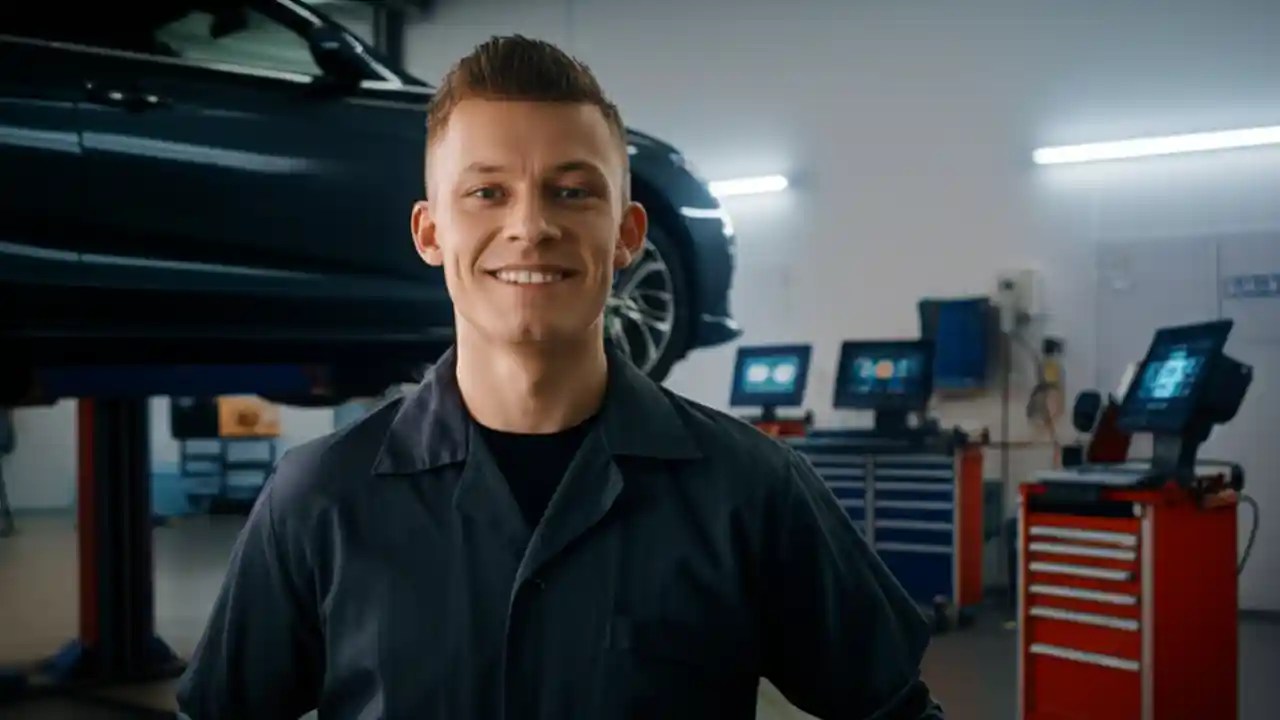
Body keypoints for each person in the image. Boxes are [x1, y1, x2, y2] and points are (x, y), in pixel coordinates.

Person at [176, 35, 943, 720]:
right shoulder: (317, 501)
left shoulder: (753, 490)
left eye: (572, 191)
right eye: (487, 192)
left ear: (627, 235)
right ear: (430, 231)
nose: (531, 225)